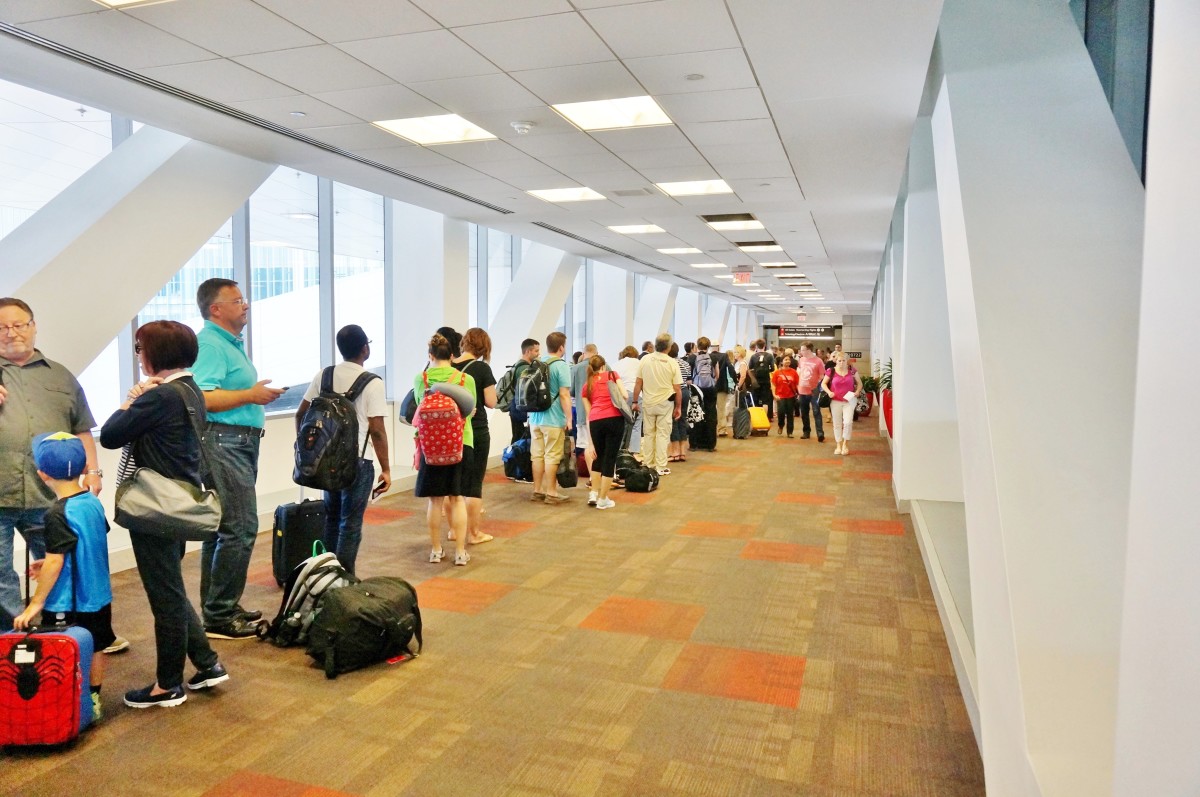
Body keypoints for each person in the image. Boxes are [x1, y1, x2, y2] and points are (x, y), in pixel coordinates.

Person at [100, 320, 229, 709]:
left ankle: (167, 685)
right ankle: (207, 664)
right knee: (171, 587)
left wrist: (131, 400)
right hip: (177, 503)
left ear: (157, 354)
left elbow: (110, 434)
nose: (139, 356)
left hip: (153, 507)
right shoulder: (191, 391)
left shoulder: (159, 396)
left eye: (140, 349)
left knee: (165, 596)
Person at [0, 298, 129, 653]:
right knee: (0, 577)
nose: (12, 333)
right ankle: (15, 641)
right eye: (3, 327)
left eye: (19, 324)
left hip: (51, 497)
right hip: (0, 492)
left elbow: (82, 428)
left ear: (33, 325)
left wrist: (93, 470)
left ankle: (79, 636)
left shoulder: (59, 375)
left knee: (67, 566)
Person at [191, 279, 280, 639]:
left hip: (236, 442)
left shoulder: (227, 343)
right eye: (237, 300)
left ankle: (218, 608)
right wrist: (251, 395)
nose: (245, 306)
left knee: (223, 527)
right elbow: (203, 398)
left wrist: (252, 396)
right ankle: (220, 615)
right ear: (216, 309)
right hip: (223, 442)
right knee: (241, 528)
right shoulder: (210, 344)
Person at [14, 432, 114, 721]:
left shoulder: (56, 514)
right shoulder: (91, 502)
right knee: (97, 644)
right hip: (98, 594)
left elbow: (58, 561)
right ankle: (93, 700)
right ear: (84, 468)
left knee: (63, 648)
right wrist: (47, 561)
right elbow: (84, 542)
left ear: (42, 474)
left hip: (68, 603)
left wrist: (35, 604)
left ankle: (66, 702)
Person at [294, 325, 389, 575]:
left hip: (327, 460)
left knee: (332, 518)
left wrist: (304, 449)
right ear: (365, 349)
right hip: (358, 462)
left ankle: (325, 575)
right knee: (350, 523)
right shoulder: (373, 383)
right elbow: (377, 430)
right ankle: (343, 578)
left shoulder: (324, 376)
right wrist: (386, 469)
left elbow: (301, 414)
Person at [414, 333, 477, 566]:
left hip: (431, 446)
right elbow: (472, 410)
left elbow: (419, 411)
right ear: (452, 355)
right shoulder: (464, 379)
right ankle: (460, 552)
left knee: (435, 501)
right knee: (457, 498)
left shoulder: (421, 379)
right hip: (461, 442)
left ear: (430, 355)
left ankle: (436, 550)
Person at [451, 327, 497, 546]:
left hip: (451, 431)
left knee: (454, 484)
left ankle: (453, 530)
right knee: (474, 484)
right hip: (476, 430)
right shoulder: (481, 369)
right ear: (484, 347)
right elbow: (491, 401)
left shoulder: (448, 366)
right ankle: (473, 533)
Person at [527, 331, 572, 504]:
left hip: (535, 418)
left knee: (537, 455)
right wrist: (569, 418)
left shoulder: (538, 362)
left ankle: (537, 490)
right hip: (553, 419)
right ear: (561, 347)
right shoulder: (561, 365)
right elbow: (564, 394)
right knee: (552, 455)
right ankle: (551, 492)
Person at [631, 334, 682, 477]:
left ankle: (648, 463)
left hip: (648, 402)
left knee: (648, 433)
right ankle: (660, 466)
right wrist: (678, 407)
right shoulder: (672, 363)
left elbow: (638, 383)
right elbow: (677, 388)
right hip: (665, 403)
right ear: (669, 347)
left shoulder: (645, 360)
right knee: (662, 434)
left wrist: (635, 401)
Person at [579, 355, 623, 510]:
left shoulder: (586, 386)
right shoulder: (613, 375)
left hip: (596, 422)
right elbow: (624, 395)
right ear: (604, 366)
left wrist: (590, 441)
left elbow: (588, 413)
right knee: (610, 459)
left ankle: (594, 493)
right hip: (614, 419)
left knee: (598, 457)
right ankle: (603, 499)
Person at [821, 351, 863, 455]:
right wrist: (829, 392)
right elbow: (823, 384)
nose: (841, 362)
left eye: (843, 360)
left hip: (849, 400)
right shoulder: (831, 371)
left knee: (848, 422)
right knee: (837, 424)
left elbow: (860, 383)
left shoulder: (852, 371)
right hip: (835, 401)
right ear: (836, 361)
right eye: (839, 360)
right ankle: (838, 445)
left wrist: (857, 391)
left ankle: (845, 444)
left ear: (847, 361)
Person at [570, 343, 599, 474]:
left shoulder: (576, 368)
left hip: (583, 413)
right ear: (596, 353)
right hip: (603, 412)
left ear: (584, 353)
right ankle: (605, 475)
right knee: (602, 445)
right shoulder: (606, 366)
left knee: (587, 445)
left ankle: (592, 476)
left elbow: (572, 391)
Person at [507, 338, 540, 445]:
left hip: (516, 409)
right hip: (521, 411)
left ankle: (514, 461)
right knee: (521, 441)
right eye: (536, 351)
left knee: (517, 439)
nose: (538, 354)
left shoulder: (517, 365)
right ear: (528, 351)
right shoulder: (525, 369)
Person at [690, 337, 719, 451]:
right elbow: (717, 374)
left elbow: (689, 376)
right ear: (708, 346)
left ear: (697, 346)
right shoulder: (713, 357)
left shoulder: (692, 358)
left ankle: (694, 444)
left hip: (696, 389)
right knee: (710, 415)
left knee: (695, 413)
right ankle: (710, 445)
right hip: (710, 389)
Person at [612, 345, 643, 456]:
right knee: (636, 423)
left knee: (622, 424)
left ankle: (619, 450)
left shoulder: (616, 364)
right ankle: (633, 452)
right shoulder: (639, 363)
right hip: (637, 394)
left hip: (621, 396)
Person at [795, 343, 826, 442]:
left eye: (803, 350)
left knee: (816, 411)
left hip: (814, 390)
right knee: (804, 412)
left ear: (809, 350)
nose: (801, 352)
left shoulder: (818, 361)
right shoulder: (801, 360)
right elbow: (799, 371)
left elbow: (822, 375)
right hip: (802, 389)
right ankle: (806, 431)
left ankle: (820, 433)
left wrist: (816, 384)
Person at [669, 341, 691, 463]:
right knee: (682, 419)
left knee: (673, 421)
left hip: (673, 392)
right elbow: (688, 380)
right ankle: (683, 452)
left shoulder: (669, 363)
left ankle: (674, 452)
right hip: (685, 392)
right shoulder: (685, 363)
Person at [771, 354, 800, 438]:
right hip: (780, 396)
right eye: (785, 359)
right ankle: (781, 425)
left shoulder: (793, 372)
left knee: (790, 414)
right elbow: (773, 384)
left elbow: (797, 384)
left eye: (789, 360)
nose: (787, 361)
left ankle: (790, 432)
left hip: (791, 396)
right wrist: (774, 394)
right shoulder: (777, 372)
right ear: (782, 362)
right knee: (781, 413)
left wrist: (799, 393)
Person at [748, 339, 776, 422]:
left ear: (756, 346)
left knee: (756, 400)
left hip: (756, 381)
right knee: (765, 400)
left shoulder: (753, 356)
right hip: (766, 380)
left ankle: (757, 419)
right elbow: (772, 368)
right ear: (764, 346)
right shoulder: (769, 356)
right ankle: (765, 418)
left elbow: (750, 368)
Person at [715, 348, 737, 437]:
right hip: (721, 386)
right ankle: (721, 430)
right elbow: (731, 369)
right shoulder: (724, 356)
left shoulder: (706, 356)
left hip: (707, 387)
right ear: (718, 347)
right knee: (721, 408)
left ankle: (709, 428)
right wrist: (735, 381)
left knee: (709, 408)